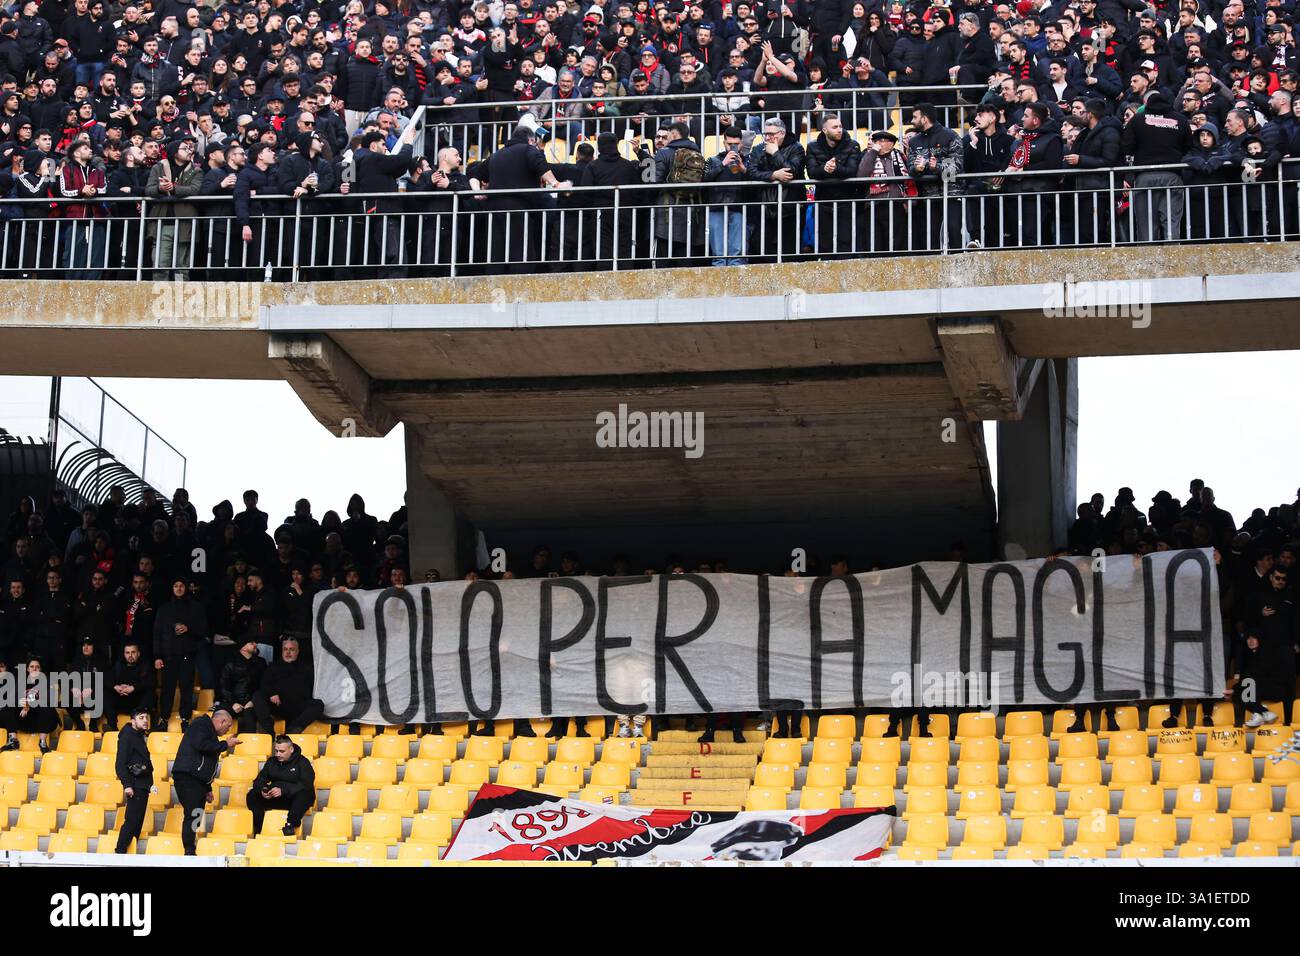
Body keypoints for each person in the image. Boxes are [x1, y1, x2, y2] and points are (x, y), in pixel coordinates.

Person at [1120, 90, 1192, 241]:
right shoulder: (1181, 119)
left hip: (1144, 174)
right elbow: (1188, 146)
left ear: (1147, 104)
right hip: (1172, 174)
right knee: (1171, 220)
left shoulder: (1138, 120)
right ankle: (1172, 257)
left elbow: (1126, 146)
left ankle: (1148, 257)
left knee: (1146, 222)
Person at [170, 707, 240, 855]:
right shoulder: (201, 724)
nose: (226, 731)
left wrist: (207, 788)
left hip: (198, 780)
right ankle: (189, 848)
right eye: (227, 727)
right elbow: (201, 745)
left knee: (196, 813)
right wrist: (225, 745)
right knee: (193, 812)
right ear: (222, 721)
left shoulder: (210, 733)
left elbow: (206, 762)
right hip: (188, 776)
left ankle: (190, 846)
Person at [154, 574, 207, 727]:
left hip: (187, 655)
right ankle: (163, 719)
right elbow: (156, 633)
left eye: (181, 586)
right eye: (176, 586)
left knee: (186, 689)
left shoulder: (196, 607)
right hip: (168, 656)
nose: (178, 588)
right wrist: (157, 656)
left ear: (186, 588)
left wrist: (188, 628)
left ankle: (185, 719)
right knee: (166, 690)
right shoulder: (164, 609)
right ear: (172, 588)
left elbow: (204, 630)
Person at [246, 733, 316, 837]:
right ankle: (259, 825)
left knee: (304, 794)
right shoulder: (272, 762)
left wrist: (283, 790)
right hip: (276, 797)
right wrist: (263, 789)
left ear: (291, 749)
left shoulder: (302, 762)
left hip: (294, 798)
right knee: (252, 794)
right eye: (276, 751)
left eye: (282, 751)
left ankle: (290, 825)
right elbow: (259, 780)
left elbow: (306, 784)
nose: (278, 754)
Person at [251, 636, 325, 734]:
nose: (288, 652)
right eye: (285, 649)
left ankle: (294, 728)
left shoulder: (308, 668)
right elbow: (264, 684)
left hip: (299, 706)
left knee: (318, 704)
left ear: (298, 651)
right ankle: (268, 731)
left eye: (291, 649)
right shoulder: (273, 666)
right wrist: (272, 693)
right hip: (279, 705)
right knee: (258, 695)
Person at [114, 706, 153, 853]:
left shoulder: (138, 735)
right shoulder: (128, 735)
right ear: (133, 721)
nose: (145, 721)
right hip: (135, 785)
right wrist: (127, 785)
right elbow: (120, 764)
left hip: (143, 785)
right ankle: (119, 852)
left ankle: (129, 853)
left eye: (146, 717)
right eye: (141, 718)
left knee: (136, 823)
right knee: (131, 821)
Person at [218, 639, 267, 732]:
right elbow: (224, 686)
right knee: (218, 715)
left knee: (251, 718)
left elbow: (264, 685)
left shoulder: (260, 662)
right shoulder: (230, 663)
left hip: (253, 703)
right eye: (252, 642)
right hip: (233, 702)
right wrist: (233, 703)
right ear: (243, 647)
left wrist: (253, 701)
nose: (256, 644)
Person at [108, 640, 155, 726]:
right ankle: (112, 725)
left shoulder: (145, 665)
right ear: (124, 654)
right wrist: (116, 687)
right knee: (106, 693)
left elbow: (150, 682)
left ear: (138, 653)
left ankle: (139, 725)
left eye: (133, 652)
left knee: (150, 693)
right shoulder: (118, 665)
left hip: (137, 702)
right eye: (127, 653)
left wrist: (133, 688)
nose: (130, 655)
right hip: (122, 699)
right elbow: (108, 680)